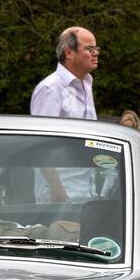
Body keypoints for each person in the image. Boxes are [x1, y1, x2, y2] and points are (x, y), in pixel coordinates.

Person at [31, 26, 99, 201]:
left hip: (85, 189)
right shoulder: (50, 88)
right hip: (60, 192)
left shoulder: (86, 84)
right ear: (69, 52)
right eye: (89, 49)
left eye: (96, 49)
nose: (95, 53)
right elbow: (40, 143)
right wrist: (56, 187)